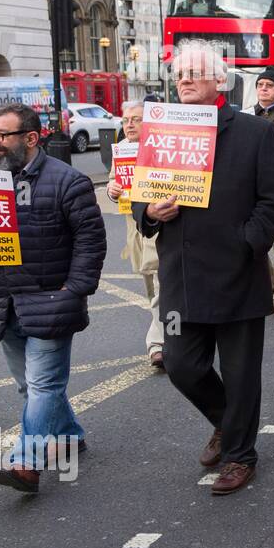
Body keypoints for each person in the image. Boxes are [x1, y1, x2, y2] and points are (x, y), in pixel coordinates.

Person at [133, 41, 274, 496]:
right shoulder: (161, 130)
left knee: (242, 374)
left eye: (195, 73)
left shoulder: (253, 132)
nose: (184, 80)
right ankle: (227, 422)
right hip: (182, 272)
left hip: (237, 273)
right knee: (182, 366)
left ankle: (241, 455)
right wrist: (150, 213)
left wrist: (247, 243)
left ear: (220, 82)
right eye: (180, 74)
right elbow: (142, 196)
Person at [0, 104, 106, 494]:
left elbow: (91, 242)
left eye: (2, 135)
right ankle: (69, 433)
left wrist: (74, 290)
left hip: (52, 301)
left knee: (43, 385)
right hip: (5, 301)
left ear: (31, 138)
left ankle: (26, 463)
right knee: (29, 386)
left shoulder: (68, 181)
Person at [105, 100, 165, 370]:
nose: (129, 124)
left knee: (160, 283)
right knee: (149, 282)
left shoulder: (161, 147)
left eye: (136, 119)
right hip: (134, 227)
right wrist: (112, 189)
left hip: (158, 224)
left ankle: (158, 343)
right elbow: (112, 180)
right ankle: (171, 328)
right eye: (125, 120)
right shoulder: (122, 149)